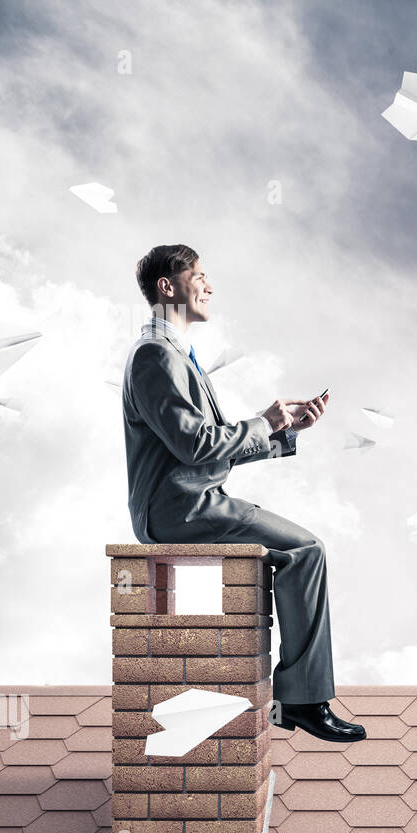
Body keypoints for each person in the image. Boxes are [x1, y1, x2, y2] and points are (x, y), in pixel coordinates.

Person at [121, 244, 365, 743]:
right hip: (178, 510)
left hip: (192, 500)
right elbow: (196, 446)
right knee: (305, 550)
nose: (210, 286)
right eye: (200, 276)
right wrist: (262, 421)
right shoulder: (154, 356)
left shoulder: (176, 355)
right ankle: (300, 701)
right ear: (168, 287)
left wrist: (283, 431)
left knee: (305, 549)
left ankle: (298, 698)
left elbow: (209, 451)